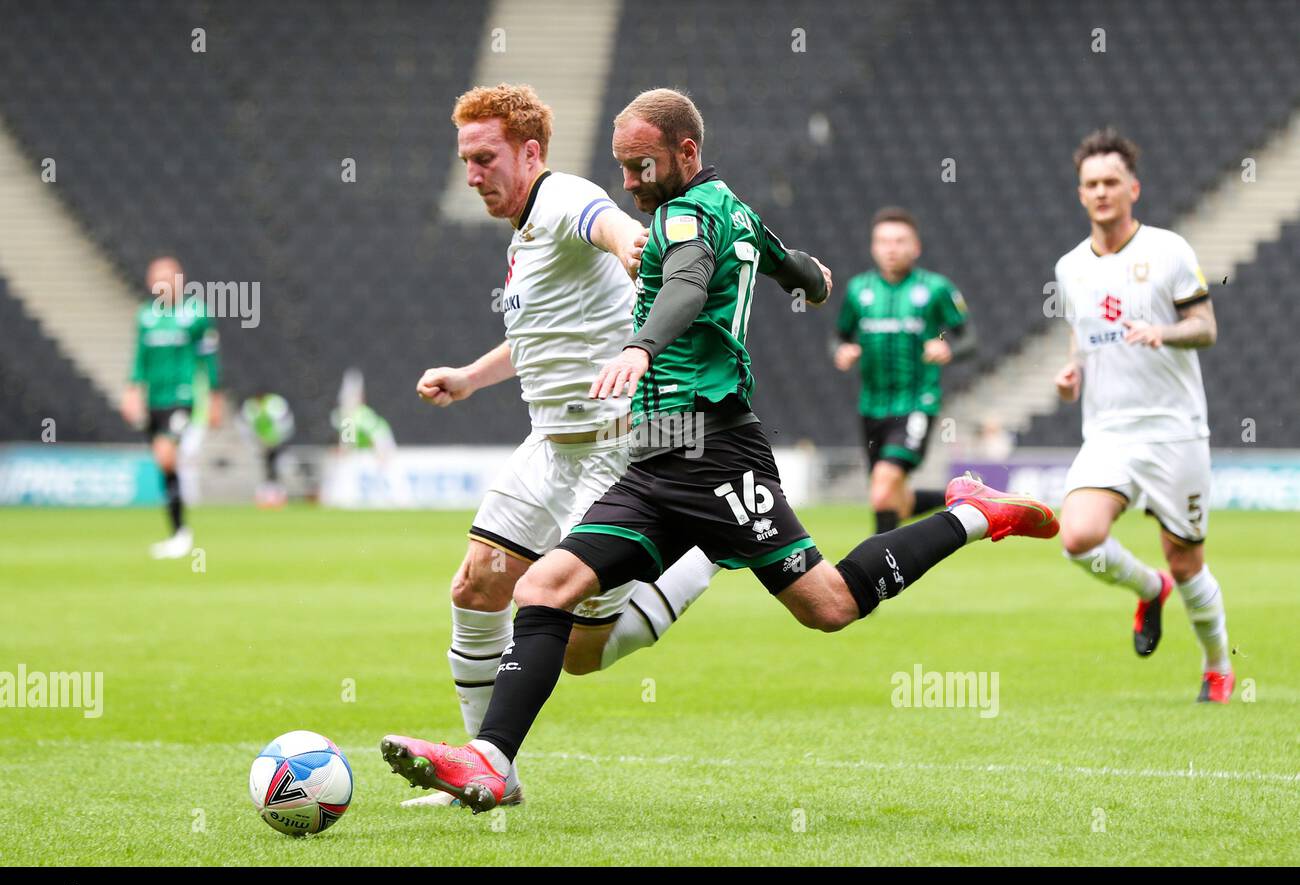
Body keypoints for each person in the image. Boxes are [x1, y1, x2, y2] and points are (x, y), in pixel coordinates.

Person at [381, 88, 1060, 812]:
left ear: (686, 153)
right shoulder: (735, 209)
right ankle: (489, 762)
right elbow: (792, 266)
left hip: (717, 452)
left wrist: (642, 346)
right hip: (652, 458)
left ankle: (973, 514)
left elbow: (682, 281)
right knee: (543, 589)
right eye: (622, 169)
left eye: (640, 167)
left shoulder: (677, 218)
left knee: (827, 606)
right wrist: (815, 279)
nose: (631, 184)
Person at [400, 84, 719, 808]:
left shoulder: (562, 199)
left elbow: (607, 226)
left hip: (612, 454)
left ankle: (698, 558)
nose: (472, 174)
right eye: (465, 160)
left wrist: (636, 246)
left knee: (581, 653)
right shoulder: (525, 240)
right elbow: (535, 337)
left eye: (486, 158)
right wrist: (470, 378)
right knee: (475, 585)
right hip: (549, 446)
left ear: (531, 152)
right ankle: (486, 775)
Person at [1051, 129, 1231, 703]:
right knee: (1078, 536)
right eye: (1091, 184)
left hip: (1174, 432)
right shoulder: (1070, 268)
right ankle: (1146, 589)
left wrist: (1165, 332)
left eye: (1111, 182)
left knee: (1186, 562)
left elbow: (1205, 326)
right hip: (1108, 433)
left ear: (1133, 188)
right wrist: (1071, 373)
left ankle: (1217, 665)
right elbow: (1081, 339)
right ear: (1081, 194)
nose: (1101, 192)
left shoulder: (1169, 250)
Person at [834, 207, 975, 531]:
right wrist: (842, 350)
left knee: (882, 491)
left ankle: (877, 571)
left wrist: (947, 348)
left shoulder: (936, 289)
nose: (891, 248)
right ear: (873, 247)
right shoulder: (858, 290)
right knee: (895, 501)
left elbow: (970, 340)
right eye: (883, 241)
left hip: (916, 402)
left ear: (916, 247)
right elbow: (838, 336)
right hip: (871, 406)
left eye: (900, 241)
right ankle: (964, 496)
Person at [119, 256, 222, 558]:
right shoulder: (146, 317)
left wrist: (215, 397)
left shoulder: (195, 314)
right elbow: (139, 358)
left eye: (169, 277)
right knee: (165, 465)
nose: (163, 283)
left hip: (182, 397)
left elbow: (209, 359)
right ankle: (178, 531)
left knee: (166, 455)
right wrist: (131, 391)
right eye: (158, 278)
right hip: (155, 400)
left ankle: (181, 534)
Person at [239, 392, 294, 507]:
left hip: (276, 442)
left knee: (276, 468)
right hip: (261, 443)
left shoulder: (274, 406)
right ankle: (266, 496)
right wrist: (259, 442)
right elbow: (247, 428)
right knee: (266, 469)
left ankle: (277, 496)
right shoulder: (251, 408)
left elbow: (284, 425)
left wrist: (274, 441)